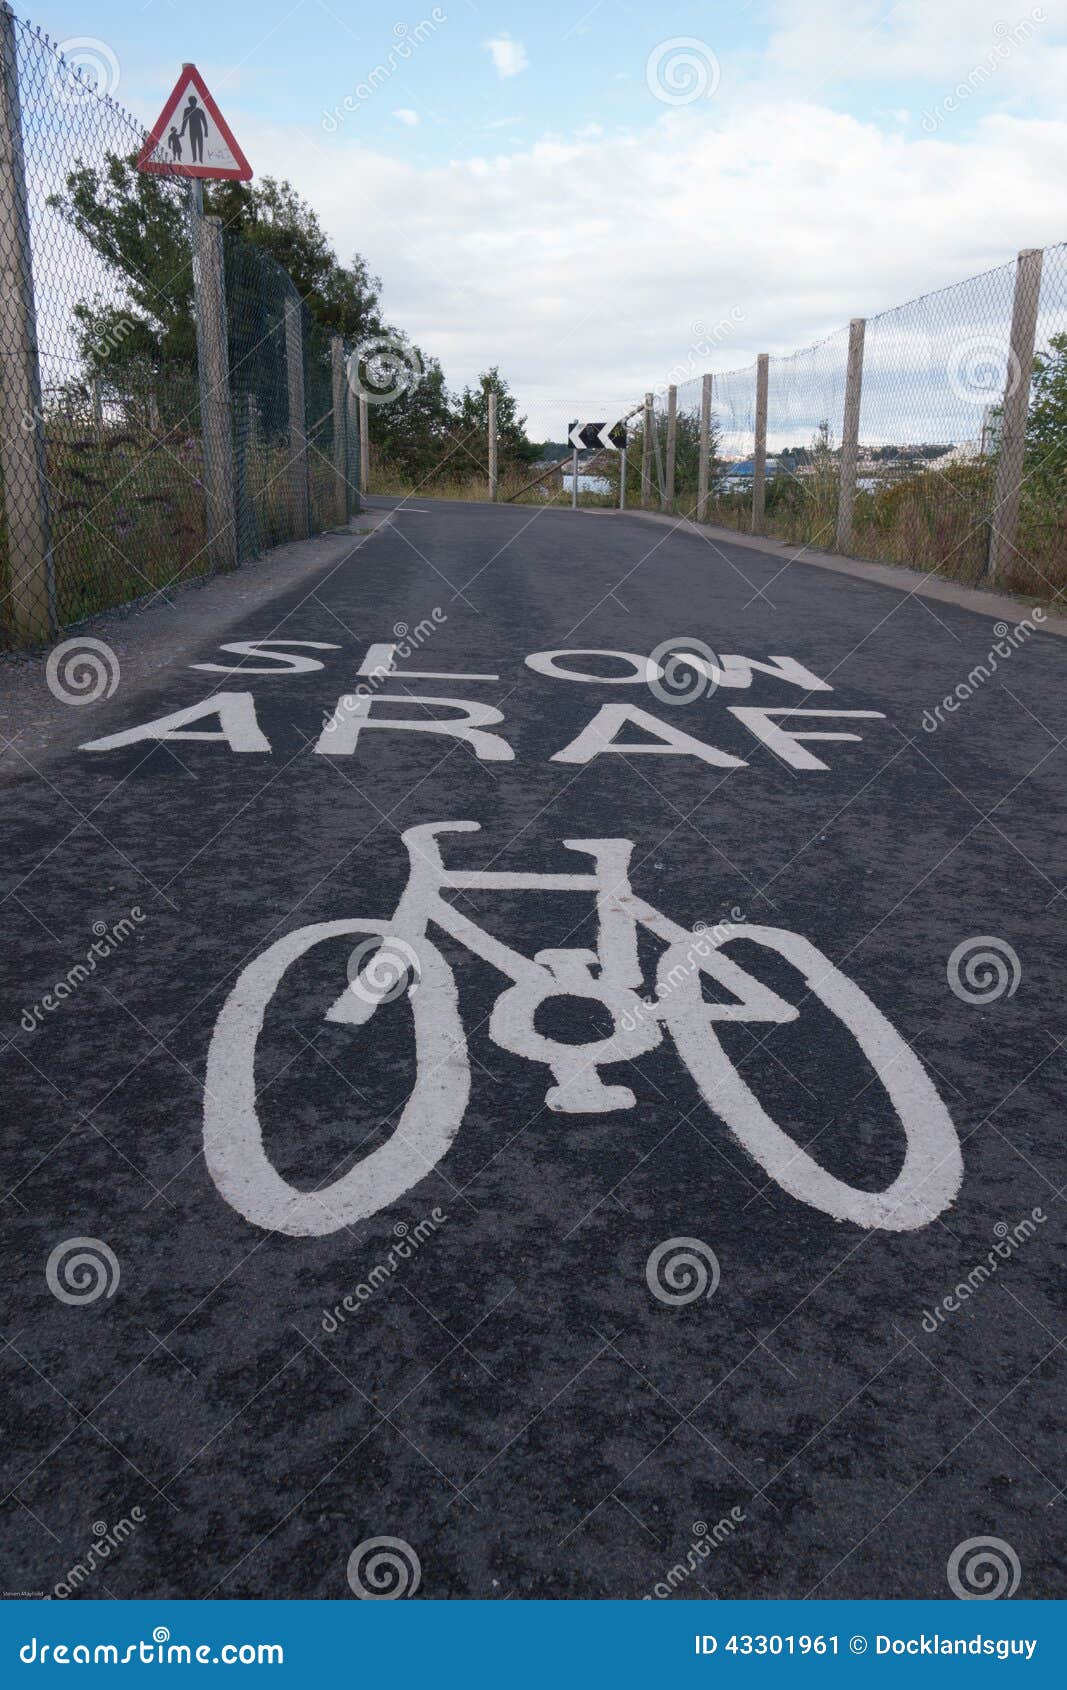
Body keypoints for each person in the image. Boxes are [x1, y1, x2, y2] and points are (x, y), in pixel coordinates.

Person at [179, 94, 208, 164]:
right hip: (191, 131)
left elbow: (204, 122)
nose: (192, 103)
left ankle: (200, 159)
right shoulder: (187, 110)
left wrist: (206, 131)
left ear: (196, 102)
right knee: (193, 145)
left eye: (193, 101)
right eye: (191, 101)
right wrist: (182, 132)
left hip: (199, 131)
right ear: (189, 102)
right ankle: (194, 159)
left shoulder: (200, 111)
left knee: (200, 145)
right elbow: (184, 121)